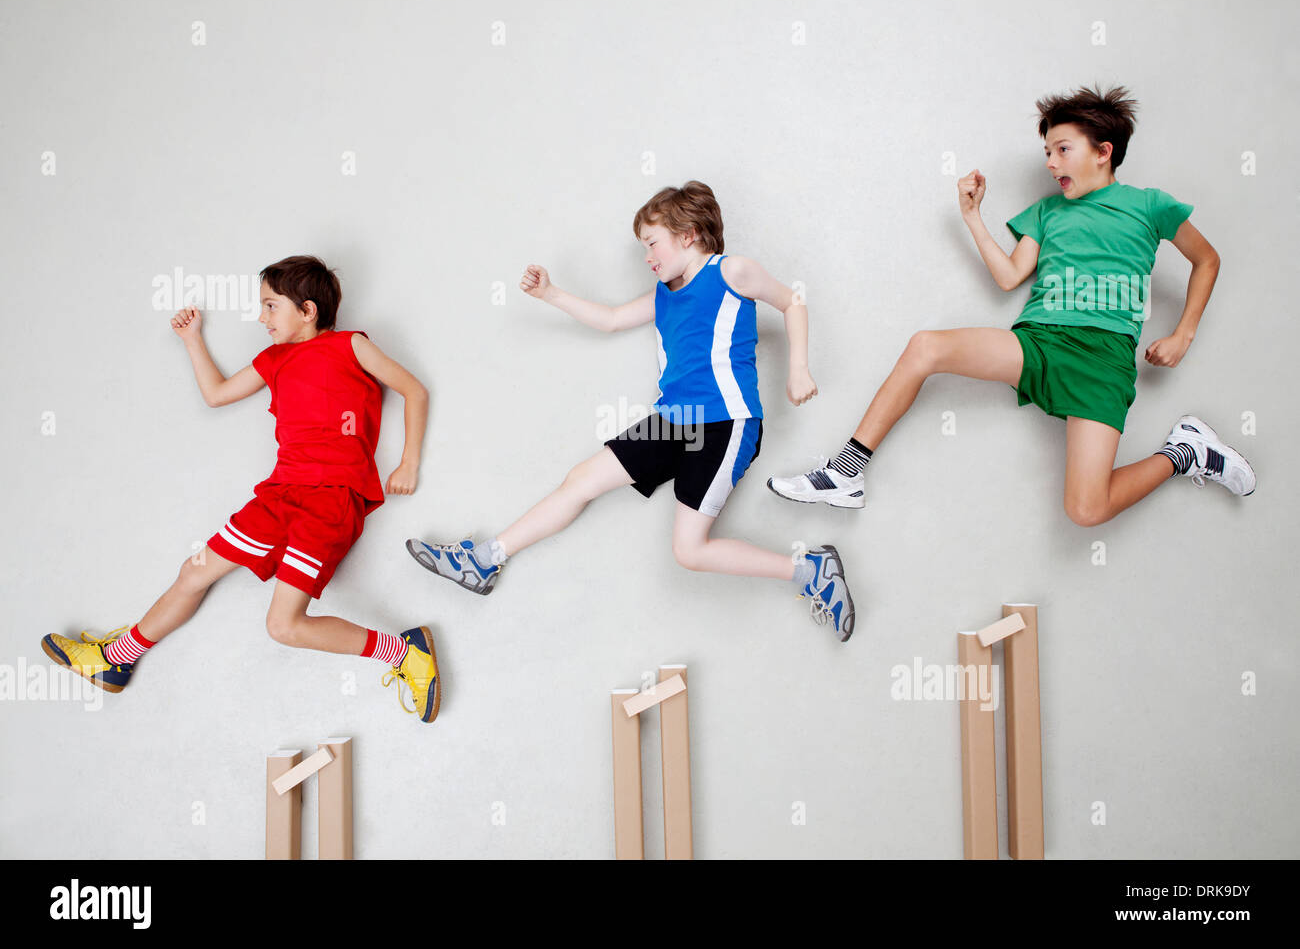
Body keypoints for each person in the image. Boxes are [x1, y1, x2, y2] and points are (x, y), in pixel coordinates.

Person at [768, 85, 1254, 524]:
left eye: (1062, 149)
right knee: (925, 346)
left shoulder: (1150, 206)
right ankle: (846, 472)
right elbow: (1009, 277)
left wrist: (1183, 332)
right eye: (1047, 152)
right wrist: (973, 216)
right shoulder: (1046, 212)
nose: (1051, 162)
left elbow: (1207, 259)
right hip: (1040, 343)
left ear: (1103, 152)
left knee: (1087, 510)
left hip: (1105, 362)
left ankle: (1185, 453)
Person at [406, 182, 857, 641]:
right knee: (580, 480)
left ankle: (809, 570)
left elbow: (792, 301)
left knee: (689, 551)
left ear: (689, 234)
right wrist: (550, 294)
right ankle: (485, 560)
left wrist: (797, 369)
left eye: (651, 243)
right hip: (672, 421)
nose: (647, 257)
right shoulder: (662, 296)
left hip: (727, 423)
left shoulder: (732, 271)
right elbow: (611, 319)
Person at [41, 256, 444, 722]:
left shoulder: (350, 345)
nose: (261, 318)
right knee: (193, 573)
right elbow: (216, 395)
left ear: (308, 311)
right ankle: (117, 659)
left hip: (330, 499)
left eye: (271, 307)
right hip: (278, 497)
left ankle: (405, 652)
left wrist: (408, 462)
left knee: (283, 626)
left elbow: (414, 390)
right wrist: (192, 340)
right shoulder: (273, 360)